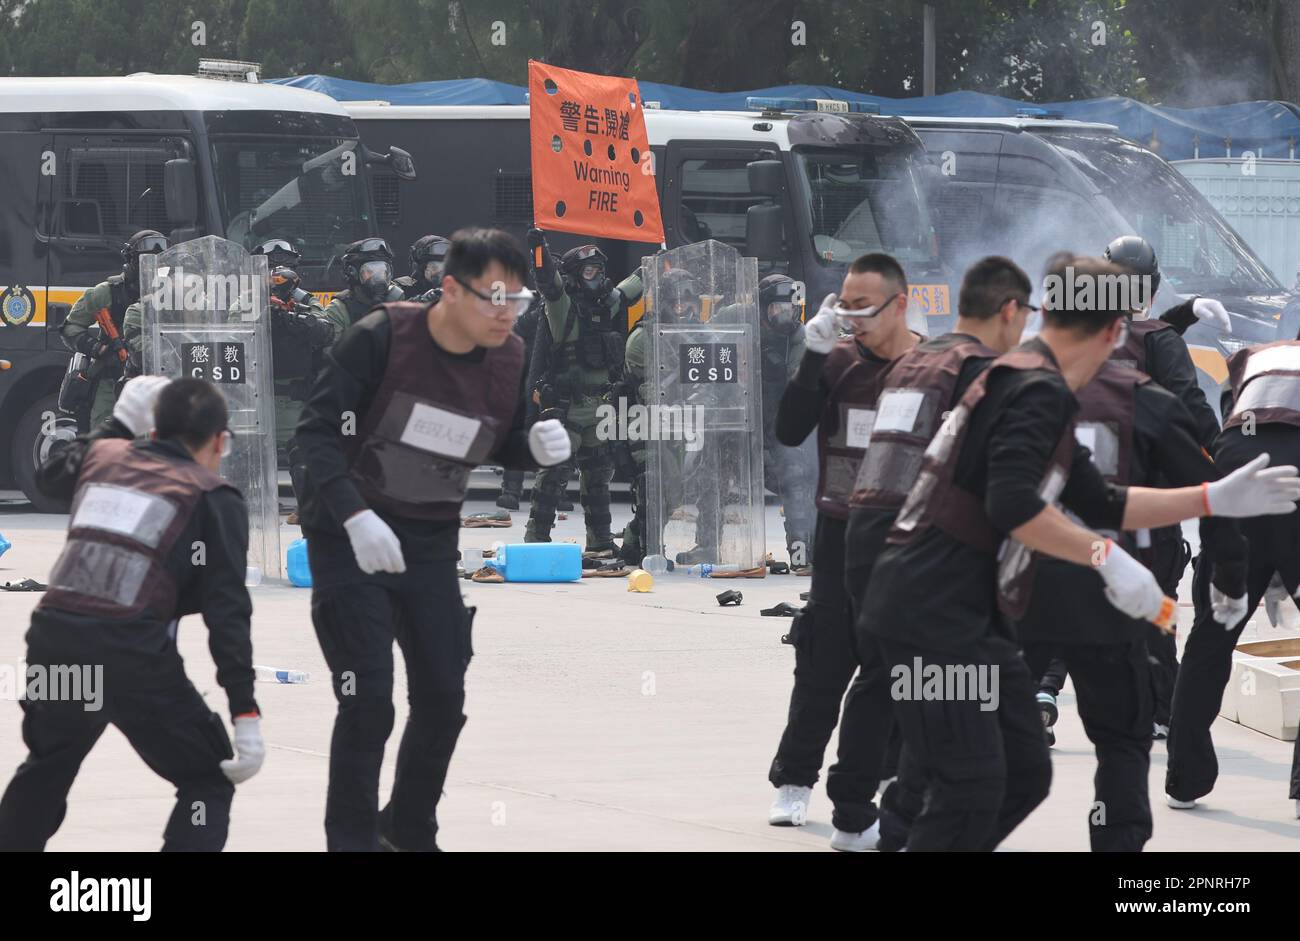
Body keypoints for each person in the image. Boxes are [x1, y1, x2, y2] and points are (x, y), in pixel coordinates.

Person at [859, 254, 1300, 852]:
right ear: (1120, 330)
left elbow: (1095, 495)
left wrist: (1211, 496)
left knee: (1015, 773)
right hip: (937, 611)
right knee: (971, 782)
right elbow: (1013, 503)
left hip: (929, 601)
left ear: (1047, 311)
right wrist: (1108, 559)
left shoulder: (1030, 378)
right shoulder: (1034, 388)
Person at [294, 228, 571, 851]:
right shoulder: (382, 337)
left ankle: (410, 830)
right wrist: (353, 517)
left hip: (428, 539)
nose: (507, 313)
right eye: (494, 297)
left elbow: (496, 439)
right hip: (349, 535)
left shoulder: (510, 356)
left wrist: (532, 448)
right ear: (449, 289)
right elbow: (313, 438)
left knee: (444, 696)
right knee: (367, 701)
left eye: (518, 301)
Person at [1016, 256, 1248, 850]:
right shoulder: (1147, 396)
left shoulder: (1001, 385)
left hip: (1017, 593)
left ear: (1045, 312)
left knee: (974, 748)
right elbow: (1201, 473)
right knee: (1123, 739)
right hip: (1125, 584)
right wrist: (1228, 570)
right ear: (1120, 321)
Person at [0, 376, 263, 851]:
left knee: (49, 763)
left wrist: (116, 423)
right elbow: (228, 615)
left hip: (53, 638)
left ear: (152, 429)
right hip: (131, 655)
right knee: (208, 780)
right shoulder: (212, 494)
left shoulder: (104, 458)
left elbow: (50, 474)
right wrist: (244, 710)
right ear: (219, 440)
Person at [838, 255, 1035, 851]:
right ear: (1008, 311)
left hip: (866, 526)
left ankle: (866, 813)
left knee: (895, 678)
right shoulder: (981, 371)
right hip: (921, 537)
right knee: (941, 689)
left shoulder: (916, 359)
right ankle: (890, 813)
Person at [764, 253, 921, 849]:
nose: (850, 317)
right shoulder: (835, 360)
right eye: (843, 305)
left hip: (908, 536)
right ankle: (795, 779)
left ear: (900, 304)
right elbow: (787, 430)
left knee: (898, 667)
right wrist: (810, 359)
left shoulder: (930, 366)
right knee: (824, 659)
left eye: (863, 307)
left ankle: (880, 775)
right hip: (840, 527)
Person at [1165, 339, 1300, 817]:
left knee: (1212, 635)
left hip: (1236, 472)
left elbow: (1227, 417)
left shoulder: (1257, 354)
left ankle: (1184, 780)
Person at [522, 230, 642, 558]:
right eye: (589, 271)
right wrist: (539, 248)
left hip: (600, 404)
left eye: (600, 271)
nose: (597, 278)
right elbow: (547, 278)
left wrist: (662, 260)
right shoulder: (562, 306)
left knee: (599, 474)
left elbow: (639, 281)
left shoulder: (609, 304)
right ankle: (537, 539)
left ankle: (600, 539)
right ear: (575, 275)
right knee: (555, 472)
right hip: (568, 404)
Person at [619, 268, 699, 564]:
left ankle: (630, 543)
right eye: (680, 303)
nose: (687, 309)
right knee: (652, 488)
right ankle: (650, 550)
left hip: (677, 421)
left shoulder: (691, 335)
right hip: (644, 422)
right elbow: (648, 392)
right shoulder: (642, 338)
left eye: (692, 302)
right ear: (664, 301)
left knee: (671, 495)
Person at [60, 230, 168, 429]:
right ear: (131, 261)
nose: (152, 268)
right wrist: (97, 348)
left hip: (157, 380)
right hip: (112, 379)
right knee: (104, 438)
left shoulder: (171, 295)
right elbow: (70, 327)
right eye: (146, 261)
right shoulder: (107, 292)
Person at [262, 264, 335, 522]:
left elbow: (326, 331)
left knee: (303, 458)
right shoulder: (248, 299)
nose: (276, 287)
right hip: (258, 393)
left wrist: (293, 319)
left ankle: (309, 511)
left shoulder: (305, 302)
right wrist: (263, 313)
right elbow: (233, 327)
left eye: (282, 283)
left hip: (295, 396)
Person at [757, 274, 819, 573]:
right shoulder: (744, 327)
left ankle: (802, 556)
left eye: (790, 308)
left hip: (788, 428)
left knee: (797, 486)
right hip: (752, 426)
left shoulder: (800, 338)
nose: (785, 314)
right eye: (777, 308)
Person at [496, 293, 547, 511]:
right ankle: (511, 491)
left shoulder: (565, 304)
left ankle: (554, 493)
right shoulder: (529, 306)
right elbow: (516, 329)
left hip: (550, 376)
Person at [322, 238, 405, 337]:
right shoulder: (339, 309)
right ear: (353, 273)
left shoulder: (397, 302)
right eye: (370, 271)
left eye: (382, 271)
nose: (378, 277)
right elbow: (332, 351)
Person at [395, 235, 451, 301]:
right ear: (421, 268)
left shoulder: (457, 288)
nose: (441, 271)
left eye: (447, 266)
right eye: (435, 267)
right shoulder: (402, 289)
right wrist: (422, 301)